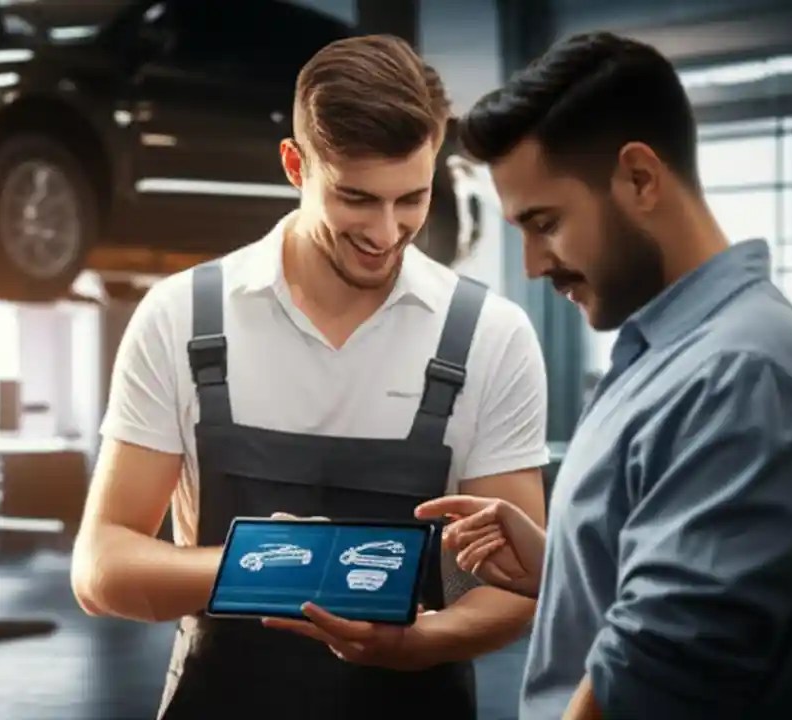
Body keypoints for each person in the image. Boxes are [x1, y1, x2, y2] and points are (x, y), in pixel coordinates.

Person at [70, 34, 551, 719]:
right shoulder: (182, 318)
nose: (386, 232)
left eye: (410, 198)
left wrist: (419, 642)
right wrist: (282, 564)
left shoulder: (490, 337)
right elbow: (101, 569)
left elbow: (518, 582)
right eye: (356, 198)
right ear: (296, 165)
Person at [418, 31, 792, 720]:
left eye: (546, 223)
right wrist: (561, 560)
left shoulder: (743, 375)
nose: (534, 264)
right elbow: (663, 594)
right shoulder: (667, 351)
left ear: (640, 179)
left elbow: (653, 678)